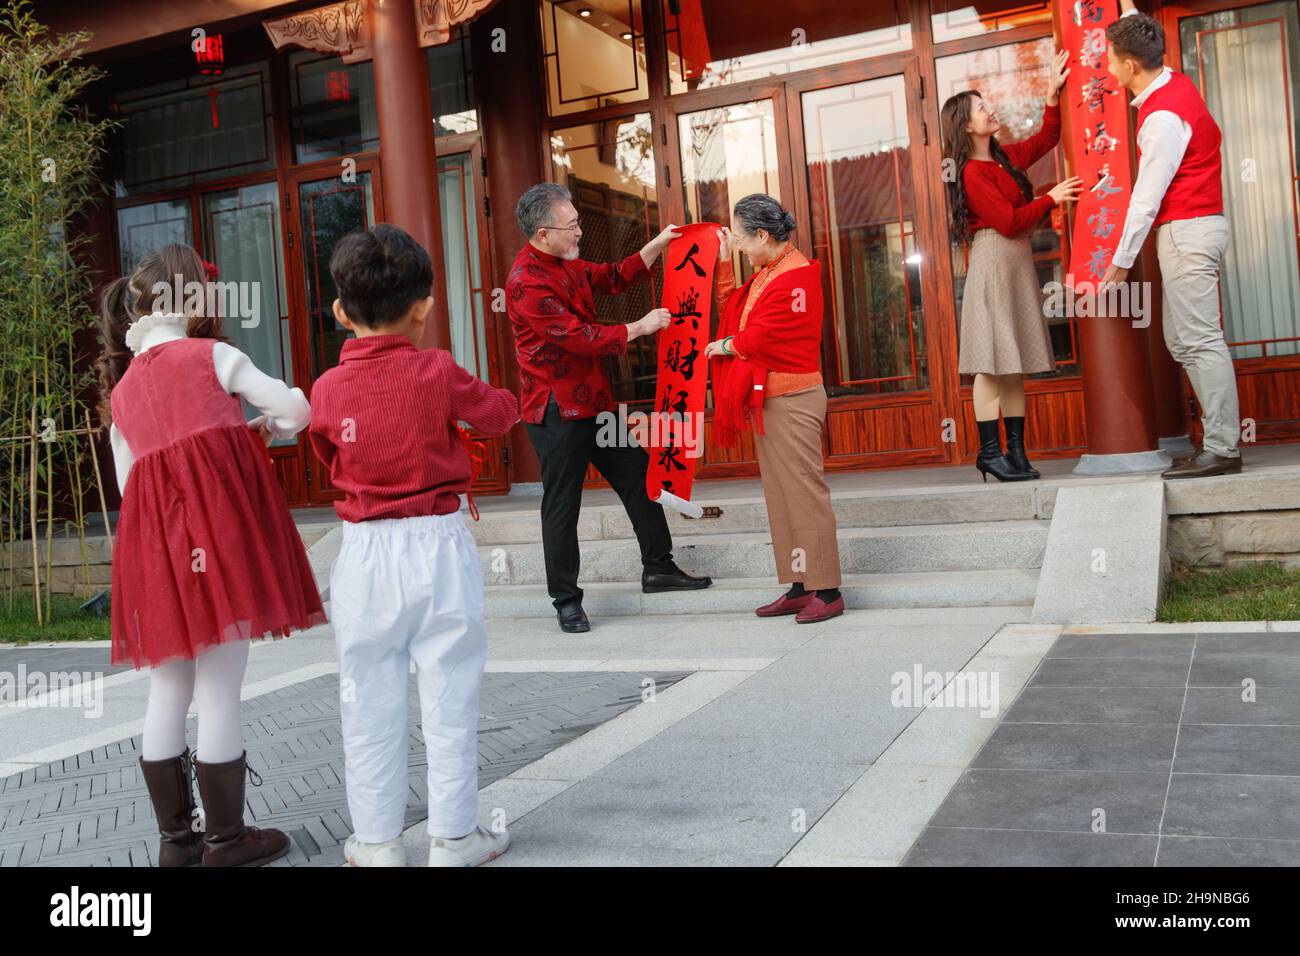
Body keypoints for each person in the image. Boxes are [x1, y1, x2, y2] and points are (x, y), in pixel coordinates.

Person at [98, 244, 325, 867]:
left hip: (156, 552)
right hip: (218, 544)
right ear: (192, 298)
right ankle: (227, 840)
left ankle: (177, 843)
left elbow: (130, 485)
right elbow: (294, 408)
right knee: (221, 686)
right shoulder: (213, 356)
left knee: (168, 688)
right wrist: (263, 429)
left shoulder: (122, 394)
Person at [309, 224, 518, 867]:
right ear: (424, 306)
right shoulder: (436, 369)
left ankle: (375, 841)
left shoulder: (326, 388)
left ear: (342, 313)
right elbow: (499, 414)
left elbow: (325, 450)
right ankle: (454, 836)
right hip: (436, 543)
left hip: (364, 548)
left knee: (366, 695)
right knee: (451, 691)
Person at [506, 182, 712, 634]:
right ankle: (566, 600)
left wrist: (656, 246)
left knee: (640, 479)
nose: (579, 231)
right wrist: (638, 327)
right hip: (556, 413)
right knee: (562, 505)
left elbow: (613, 277)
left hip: (596, 406)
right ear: (542, 234)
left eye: (578, 221)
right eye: (572, 225)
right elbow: (578, 338)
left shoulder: (568, 262)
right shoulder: (525, 283)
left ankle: (659, 567)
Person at [1100, 2, 1241, 479]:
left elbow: (1145, 198)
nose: (1106, 65)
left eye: (1109, 57)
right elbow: (1141, 27)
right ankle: (1218, 443)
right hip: (1195, 229)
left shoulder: (1161, 118)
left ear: (1129, 65)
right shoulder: (1173, 80)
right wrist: (1126, 9)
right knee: (1182, 339)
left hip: (1186, 231)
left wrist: (1121, 262)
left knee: (1198, 340)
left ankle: (1224, 448)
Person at [940, 51, 1083, 482]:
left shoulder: (1002, 159)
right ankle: (989, 453)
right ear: (966, 124)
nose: (991, 109)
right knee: (990, 363)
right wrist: (1050, 198)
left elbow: (1047, 139)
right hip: (993, 261)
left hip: (1015, 263)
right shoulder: (970, 173)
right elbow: (1008, 221)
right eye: (982, 107)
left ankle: (1016, 453)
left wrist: (1052, 95)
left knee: (1013, 363)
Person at [704, 194, 843, 624]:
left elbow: (763, 336)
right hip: (772, 398)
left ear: (763, 234)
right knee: (781, 495)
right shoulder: (771, 272)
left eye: (742, 241)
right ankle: (801, 583)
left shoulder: (797, 275)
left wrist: (724, 345)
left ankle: (829, 589)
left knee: (803, 490)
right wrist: (725, 264)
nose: (741, 248)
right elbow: (736, 312)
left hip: (794, 396)